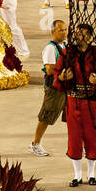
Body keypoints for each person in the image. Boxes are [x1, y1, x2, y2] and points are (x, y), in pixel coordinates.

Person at [53, 22, 96, 186]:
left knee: (92, 137)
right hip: (73, 101)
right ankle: (77, 175)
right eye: (79, 34)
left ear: (91, 36)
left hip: (91, 101)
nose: (82, 37)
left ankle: (91, 175)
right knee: (74, 137)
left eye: (86, 34)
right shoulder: (67, 54)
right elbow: (56, 75)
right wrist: (62, 78)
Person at [31, 18, 67, 156]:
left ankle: (81, 146)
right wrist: (65, 70)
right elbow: (50, 70)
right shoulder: (50, 48)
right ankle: (35, 144)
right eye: (60, 30)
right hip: (54, 87)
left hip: (66, 85)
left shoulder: (65, 44)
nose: (64, 33)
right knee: (46, 116)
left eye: (65, 30)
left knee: (73, 116)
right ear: (53, 32)